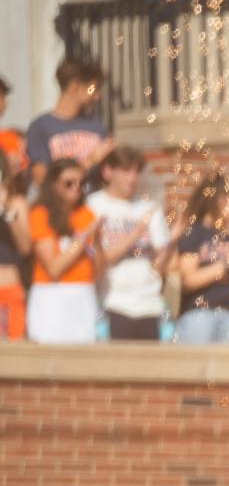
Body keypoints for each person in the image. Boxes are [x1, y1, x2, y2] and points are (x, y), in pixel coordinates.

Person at [86, 146, 173, 341]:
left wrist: (171, 243)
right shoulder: (93, 206)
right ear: (107, 172)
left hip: (151, 305)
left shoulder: (149, 208)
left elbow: (161, 264)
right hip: (113, 303)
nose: (132, 178)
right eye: (125, 171)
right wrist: (136, 233)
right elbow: (100, 260)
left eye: (136, 172)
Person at [175, 173, 229, 344]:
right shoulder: (195, 233)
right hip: (199, 314)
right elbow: (188, 280)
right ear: (221, 200)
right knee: (196, 361)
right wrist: (228, 262)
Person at [25, 158, 100, 343]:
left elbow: (98, 266)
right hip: (51, 296)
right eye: (69, 183)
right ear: (54, 185)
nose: (76, 187)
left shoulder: (87, 214)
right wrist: (83, 237)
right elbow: (54, 268)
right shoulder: (40, 214)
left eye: (81, 183)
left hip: (84, 294)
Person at [24, 57, 113, 186]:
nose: (97, 96)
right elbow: (42, 179)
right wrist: (89, 161)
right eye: (93, 89)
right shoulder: (40, 127)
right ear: (74, 88)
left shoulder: (97, 125)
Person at [1, 160, 31, 338]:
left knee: (13, 350)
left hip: (9, 290)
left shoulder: (16, 204)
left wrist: (6, 212)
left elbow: (26, 247)